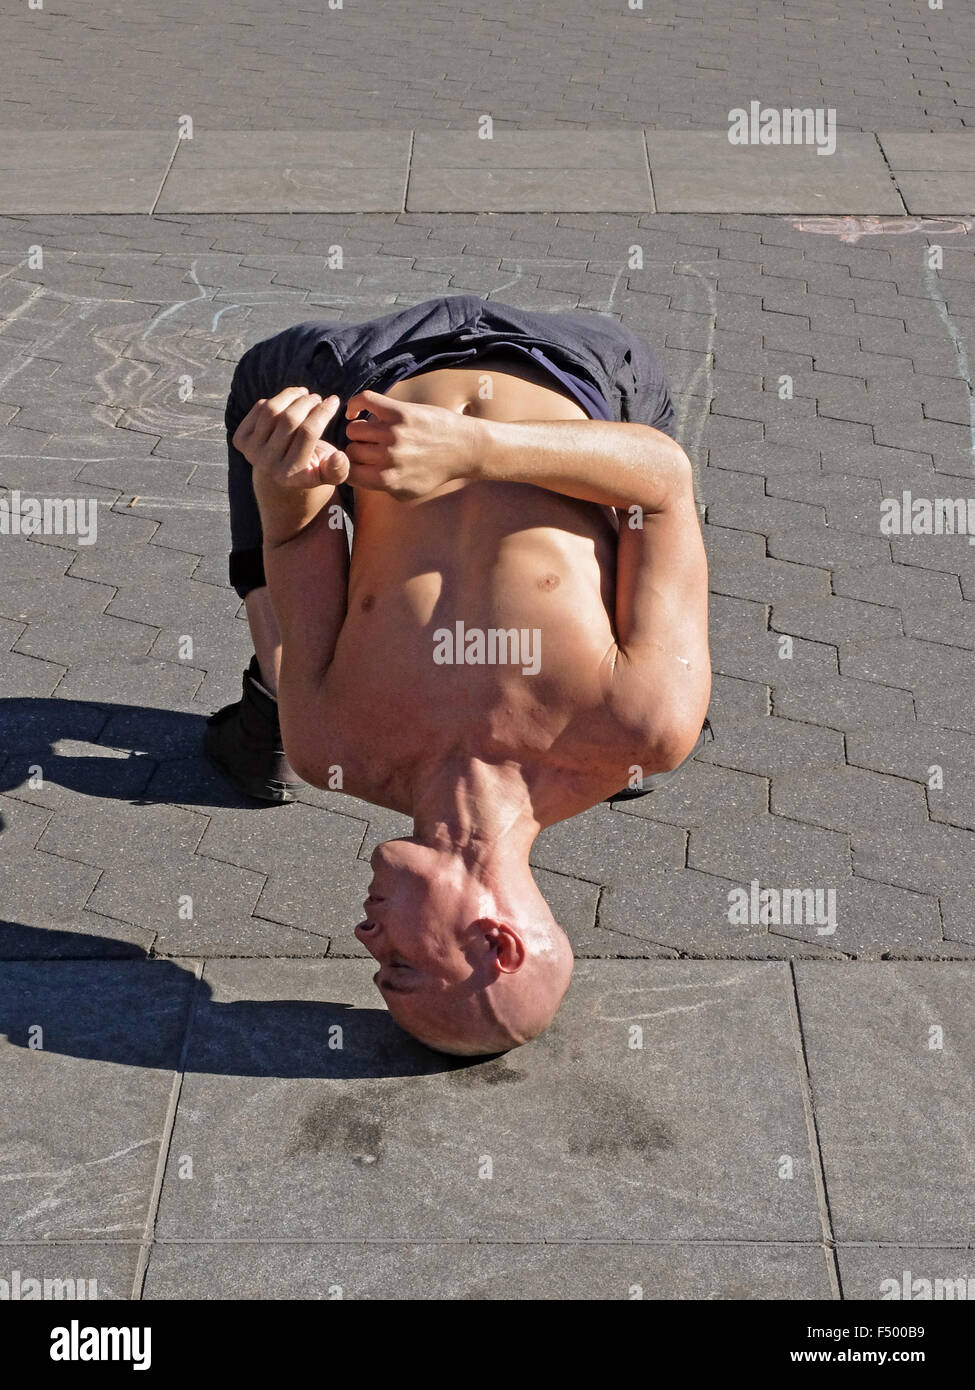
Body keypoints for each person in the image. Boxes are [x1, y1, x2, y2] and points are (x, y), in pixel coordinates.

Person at [206, 295, 711, 1056]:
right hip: (568, 364)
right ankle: (257, 706)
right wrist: (478, 451)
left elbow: (298, 528)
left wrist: (285, 471)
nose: (365, 936)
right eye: (399, 965)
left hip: (365, 376)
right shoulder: (640, 726)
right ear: (493, 943)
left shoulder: (330, 747)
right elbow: (665, 481)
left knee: (261, 407)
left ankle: (264, 696)